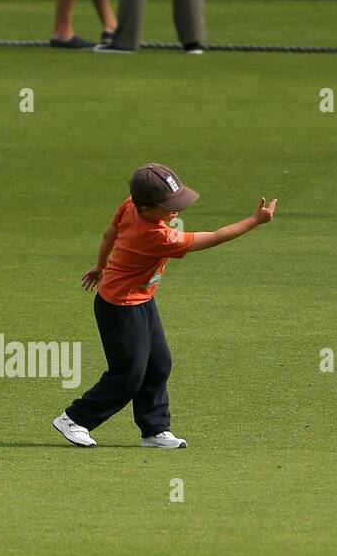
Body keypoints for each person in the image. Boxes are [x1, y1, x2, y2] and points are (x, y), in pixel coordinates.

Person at [52, 164, 278, 449]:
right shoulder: (157, 236)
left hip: (142, 299)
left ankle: (154, 430)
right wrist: (254, 221)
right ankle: (75, 418)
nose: (176, 211)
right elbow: (215, 237)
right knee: (129, 374)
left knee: (159, 364)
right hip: (119, 307)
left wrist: (101, 265)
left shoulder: (129, 206)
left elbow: (109, 234)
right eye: (169, 206)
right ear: (146, 208)